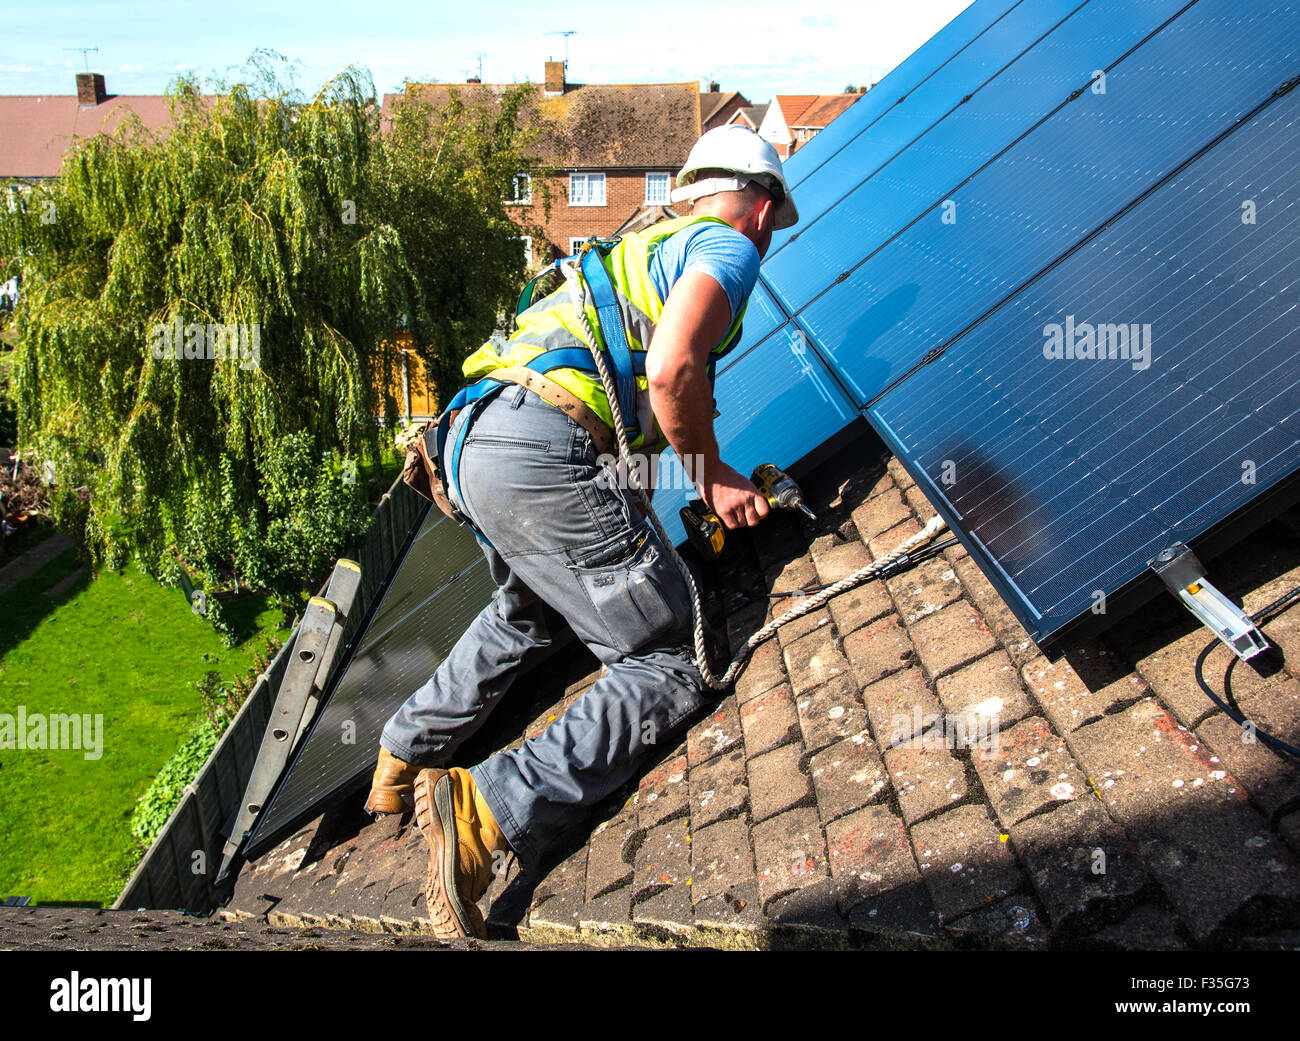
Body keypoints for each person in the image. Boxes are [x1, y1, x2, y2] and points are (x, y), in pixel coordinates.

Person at [365, 125, 799, 939]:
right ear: (759, 203)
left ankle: (400, 753)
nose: (772, 236)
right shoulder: (727, 248)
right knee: (670, 656)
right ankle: (489, 807)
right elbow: (673, 370)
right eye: (775, 219)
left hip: (468, 440)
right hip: (542, 447)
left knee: (528, 609)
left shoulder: (641, 243)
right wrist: (711, 474)